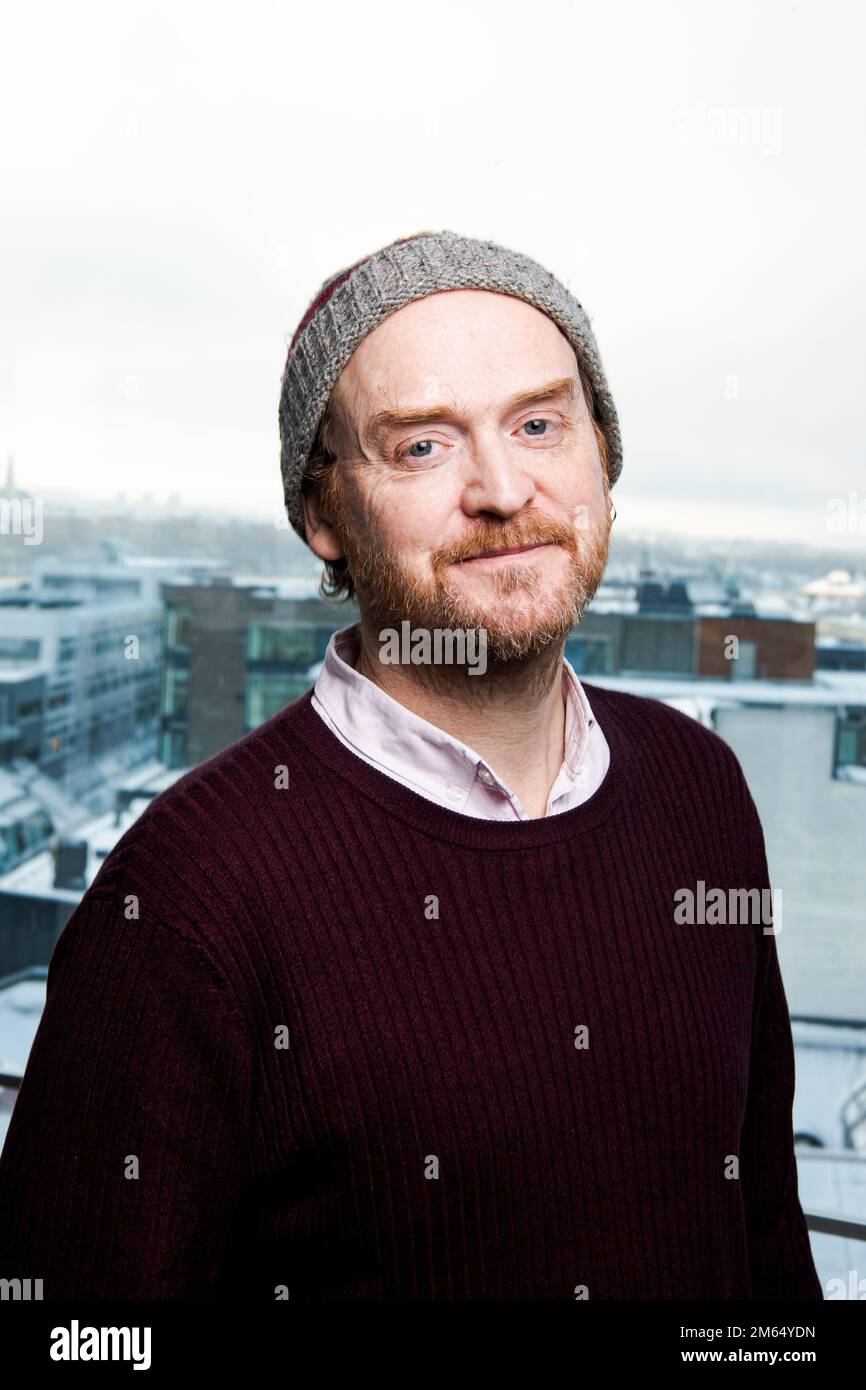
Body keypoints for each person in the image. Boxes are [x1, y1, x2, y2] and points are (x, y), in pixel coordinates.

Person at [0, 230, 822, 1300]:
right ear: (322, 515)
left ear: (601, 458)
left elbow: (760, 1236)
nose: (500, 488)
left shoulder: (698, 787)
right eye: (422, 446)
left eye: (538, 424)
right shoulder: (186, 897)